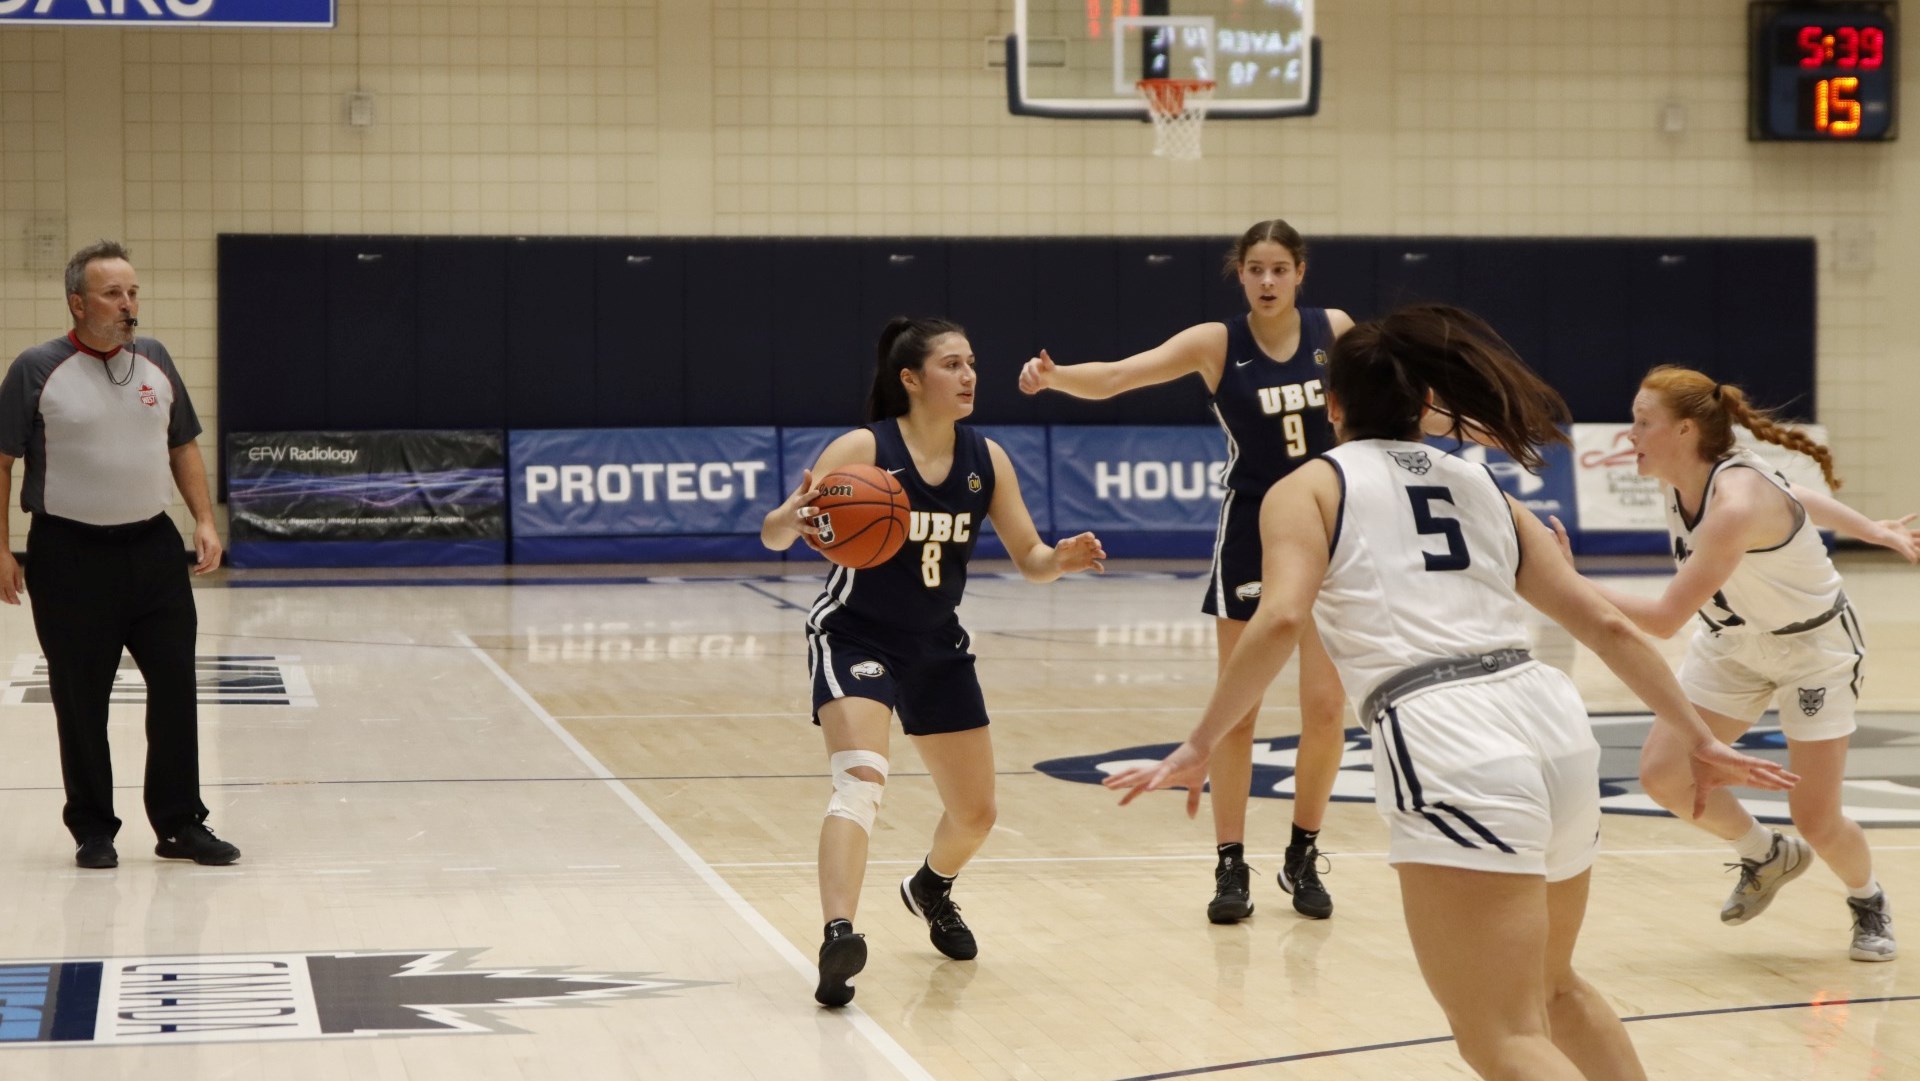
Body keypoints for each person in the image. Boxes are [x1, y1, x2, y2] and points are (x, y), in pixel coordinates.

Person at [1104, 305, 1797, 1081]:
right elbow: (1607, 624)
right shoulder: (1479, 481)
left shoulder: (1306, 487)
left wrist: (1200, 741)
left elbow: (1282, 617)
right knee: (1553, 989)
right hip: (1551, 721)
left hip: (1447, 731)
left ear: (1331, 405)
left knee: (1500, 1036)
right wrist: (1696, 735)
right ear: (1420, 402)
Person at [762, 316, 1106, 1008]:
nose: (969, 375)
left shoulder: (987, 460)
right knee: (860, 779)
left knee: (976, 813)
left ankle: (930, 887)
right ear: (911, 379)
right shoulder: (865, 448)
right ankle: (839, 936)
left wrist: (1060, 561)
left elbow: (1031, 560)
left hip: (935, 644)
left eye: (972, 362)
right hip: (856, 634)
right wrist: (791, 518)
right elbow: (774, 533)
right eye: (952, 364)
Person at [1018, 219, 1354, 924]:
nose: (1266, 281)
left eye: (1278, 269)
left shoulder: (1336, 330)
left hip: (1331, 524)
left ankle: (1303, 849)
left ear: (1300, 273)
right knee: (1239, 707)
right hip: (1256, 529)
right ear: (1240, 274)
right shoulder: (1216, 343)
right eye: (1254, 269)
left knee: (1326, 707)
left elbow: (1381, 405)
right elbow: (1117, 376)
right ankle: (1230, 861)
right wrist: (1054, 378)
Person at [1548, 365, 1910, 962]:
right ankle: (1766, 853)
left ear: (1686, 429)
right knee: (1665, 776)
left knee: (1816, 817)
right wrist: (1870, 527)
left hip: (1813, 651)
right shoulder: (1688, 475)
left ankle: (1867, 899)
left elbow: (1664, 618)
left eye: (1642, 423)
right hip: (1731, 645)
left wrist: (1569, 580)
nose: (1628, 434)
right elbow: (1799, 498)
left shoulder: (1735, 502)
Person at [0, 239, 240, 870]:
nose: (128, 303)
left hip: (154, 551)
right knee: (81, 698)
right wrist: (1, 548)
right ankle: (93, 828)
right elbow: (1, 462)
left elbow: (182, 444)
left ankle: (181, 823)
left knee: (175, 688)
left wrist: (205, 522)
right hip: (68, 555)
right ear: (78, 303)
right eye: (113, 293)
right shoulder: (36, 368)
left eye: (133, 291)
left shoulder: (155, 360)